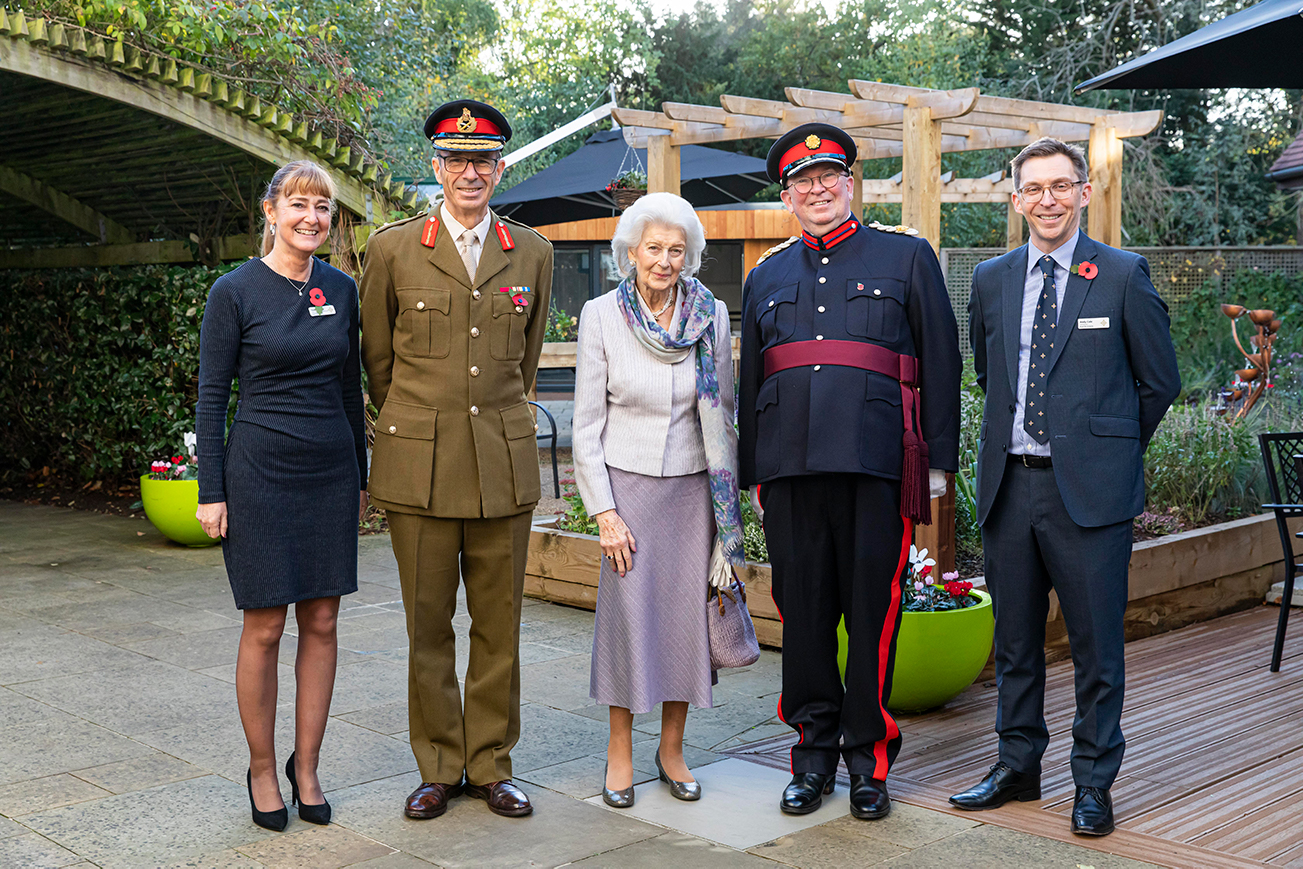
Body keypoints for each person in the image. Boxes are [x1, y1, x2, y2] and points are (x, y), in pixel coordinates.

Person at [950, 138, 1180, 836]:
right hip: (1008, 489)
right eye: (1033, 188)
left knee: (1094, 648)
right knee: (1014, 644)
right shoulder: (990, 278)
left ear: (1083, 192)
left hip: (1091, 496)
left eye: (1060, 185)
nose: (1046, 199)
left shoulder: (1118, 273)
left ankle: (1092, 783)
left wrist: (1102, 449)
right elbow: (990, 373)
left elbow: (1158, 381)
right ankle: (1016, 766)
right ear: (1015, 198)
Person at [737, 123, 960, 820]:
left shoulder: (906, 258)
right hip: (790, 472)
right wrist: (751, 471)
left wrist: (938, 464)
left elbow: (943, 365)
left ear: (850, 182)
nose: (816, 189)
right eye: (802, 182)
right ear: (786, 196)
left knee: (873, 616)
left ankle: (868, 761)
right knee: (802, 617)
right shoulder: (764, 276)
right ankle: (810, 758)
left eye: (827, 176)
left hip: (875, 465)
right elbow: (751, 382)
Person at [359, 99, 553, 820]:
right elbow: (378, 362)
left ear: (499, 168)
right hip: (421, 466)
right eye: (456, 159)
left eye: (483, 159)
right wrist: (418, 423)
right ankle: (438, 764)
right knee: (428, 624)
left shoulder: (531, 251)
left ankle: (491, 763)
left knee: (498, 626)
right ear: (436, 168)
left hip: (501, 466)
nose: (470, 171)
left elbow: (523, 365)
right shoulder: (391, 249)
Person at [196, 160, 368, 832]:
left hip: (328, 473)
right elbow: (213, 398)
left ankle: (308, 767)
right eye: (298, 204)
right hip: (259, 473)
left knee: (322, 621)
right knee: (265, 626)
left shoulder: (341, 290)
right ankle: (263, 768)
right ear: (271, 211)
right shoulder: (233, 292)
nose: (311, 219)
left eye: (322, 208)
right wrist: (212, 491)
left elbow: (350, 390)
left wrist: (358, 475)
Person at [572, 192, 744, 809]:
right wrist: (604, 512)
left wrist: (729, 518)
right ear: (631, 252)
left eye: (677, 250)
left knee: (684, 624)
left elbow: (721, 410)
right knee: (628, 623)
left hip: (695, 492)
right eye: (654, 249)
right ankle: (620, 753)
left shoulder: (713, 314)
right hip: (630, 491)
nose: (665, 261)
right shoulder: (601, 315)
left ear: (690, 255)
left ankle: (672, 750)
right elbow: (587, 424)